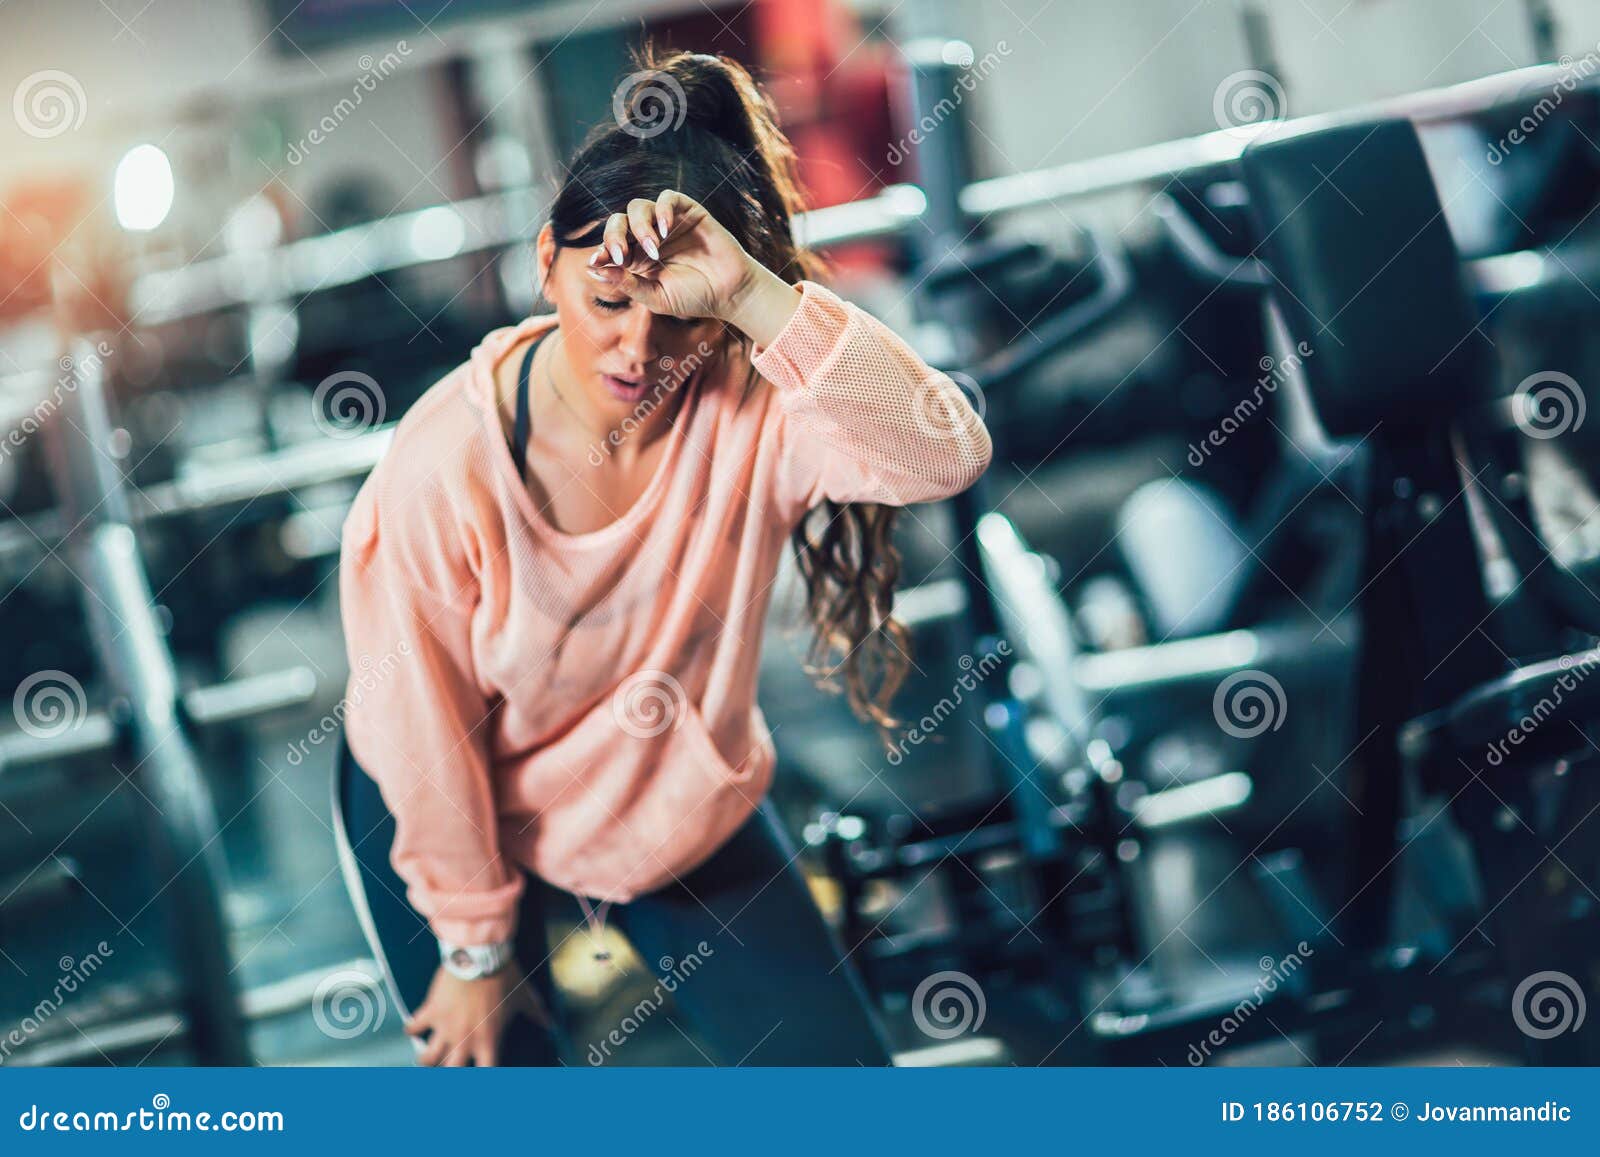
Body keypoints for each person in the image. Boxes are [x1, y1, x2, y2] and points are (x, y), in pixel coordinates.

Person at [333, 47, 992, 1067]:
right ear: (548, 261)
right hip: (447, 809)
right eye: (607, 302)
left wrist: (754, 293)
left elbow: (943, 453)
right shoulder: (441, 469)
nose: (638, 352)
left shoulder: (748, 404)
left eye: (677, 317)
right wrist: (474, 947)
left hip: (666, 803)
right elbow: (424, 726)